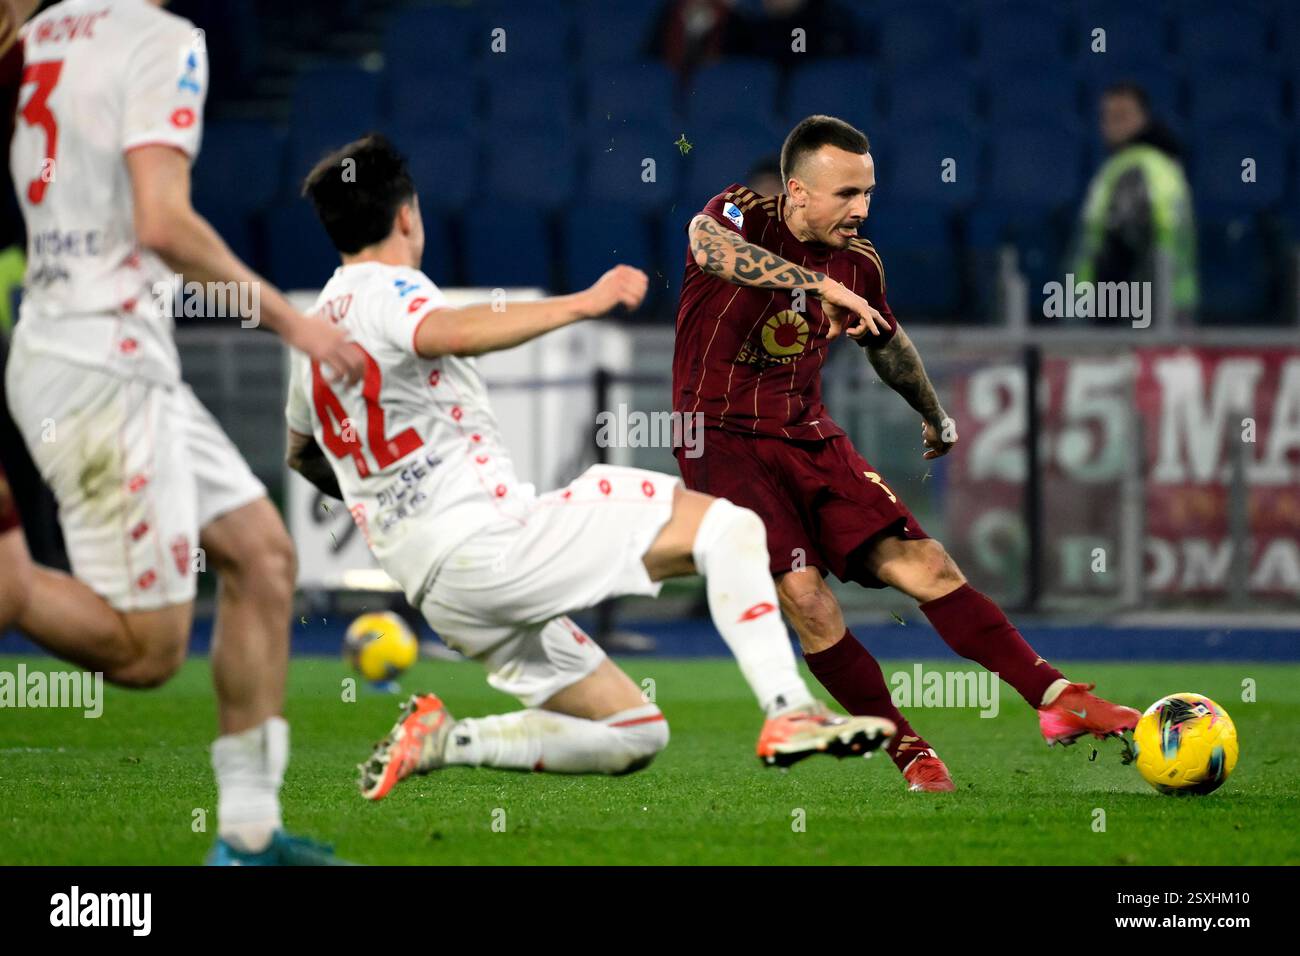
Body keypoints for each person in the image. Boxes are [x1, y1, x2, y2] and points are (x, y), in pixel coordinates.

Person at [287, 133, 896, 801]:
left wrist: (388, 509)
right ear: (408, 215)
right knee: (731, 530)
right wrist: (584, 302)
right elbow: (448, 332)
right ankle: (789, 711)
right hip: (490, 544)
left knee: (633, 732)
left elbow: (303, 452)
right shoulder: (391, 291)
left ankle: (445, 739)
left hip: (441, 593)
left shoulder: (312, 333)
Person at [672, 114, 1142, 791]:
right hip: (719, 438)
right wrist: (816, 287)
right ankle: (907, 749)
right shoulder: (738, 214)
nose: (861, 209)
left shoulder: (857, 261)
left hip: (808, 433)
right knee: (806, 598)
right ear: (797, 191)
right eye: (845, 194)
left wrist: (932, 410)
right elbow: (712, 251)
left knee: (928, 566)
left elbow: (884, 340)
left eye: (868, 192)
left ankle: (1056, 698)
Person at [4, 0, 362, 865]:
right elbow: (164, 223)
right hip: (103, 366)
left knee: (262, 556)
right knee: (146, 650)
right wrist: (295, 322)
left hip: (88, 346)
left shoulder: (41, 33)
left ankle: (248, 837)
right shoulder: (165, 43)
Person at [1071, 82, 1198, 322]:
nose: (1112, 125)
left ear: (1144, 118)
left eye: (1122, 116)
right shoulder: (1160, 165)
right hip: (1168, 304)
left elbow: (1123, 249)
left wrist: (1105, 316)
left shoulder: (1135, 169)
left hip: (1141, 313)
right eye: (1107, 117)